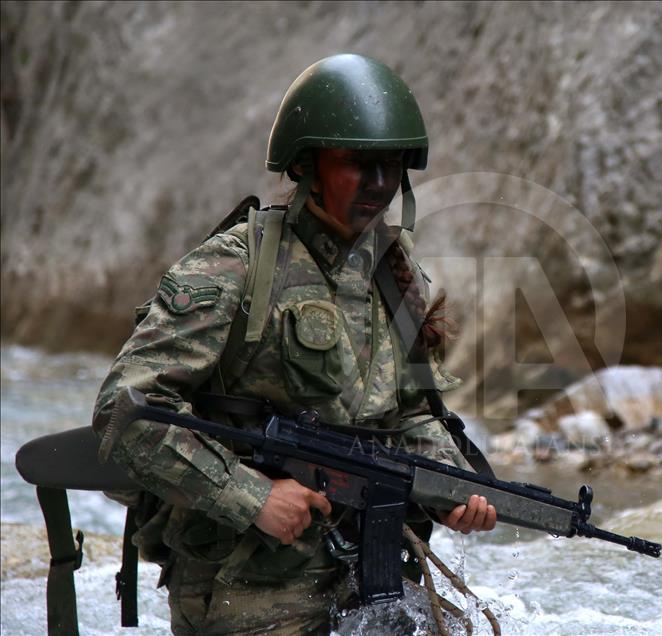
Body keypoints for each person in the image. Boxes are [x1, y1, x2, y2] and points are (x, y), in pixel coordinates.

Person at [92, 53, 496, 635]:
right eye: (358, 164)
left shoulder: (394, 275)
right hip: (247, 585)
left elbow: (410, 414)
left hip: (366, 570)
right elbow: (124, 412)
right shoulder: (236, 266)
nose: (379, 185)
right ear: (307, 165)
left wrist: (453, 488)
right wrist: (251, 496)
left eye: (392, 167)